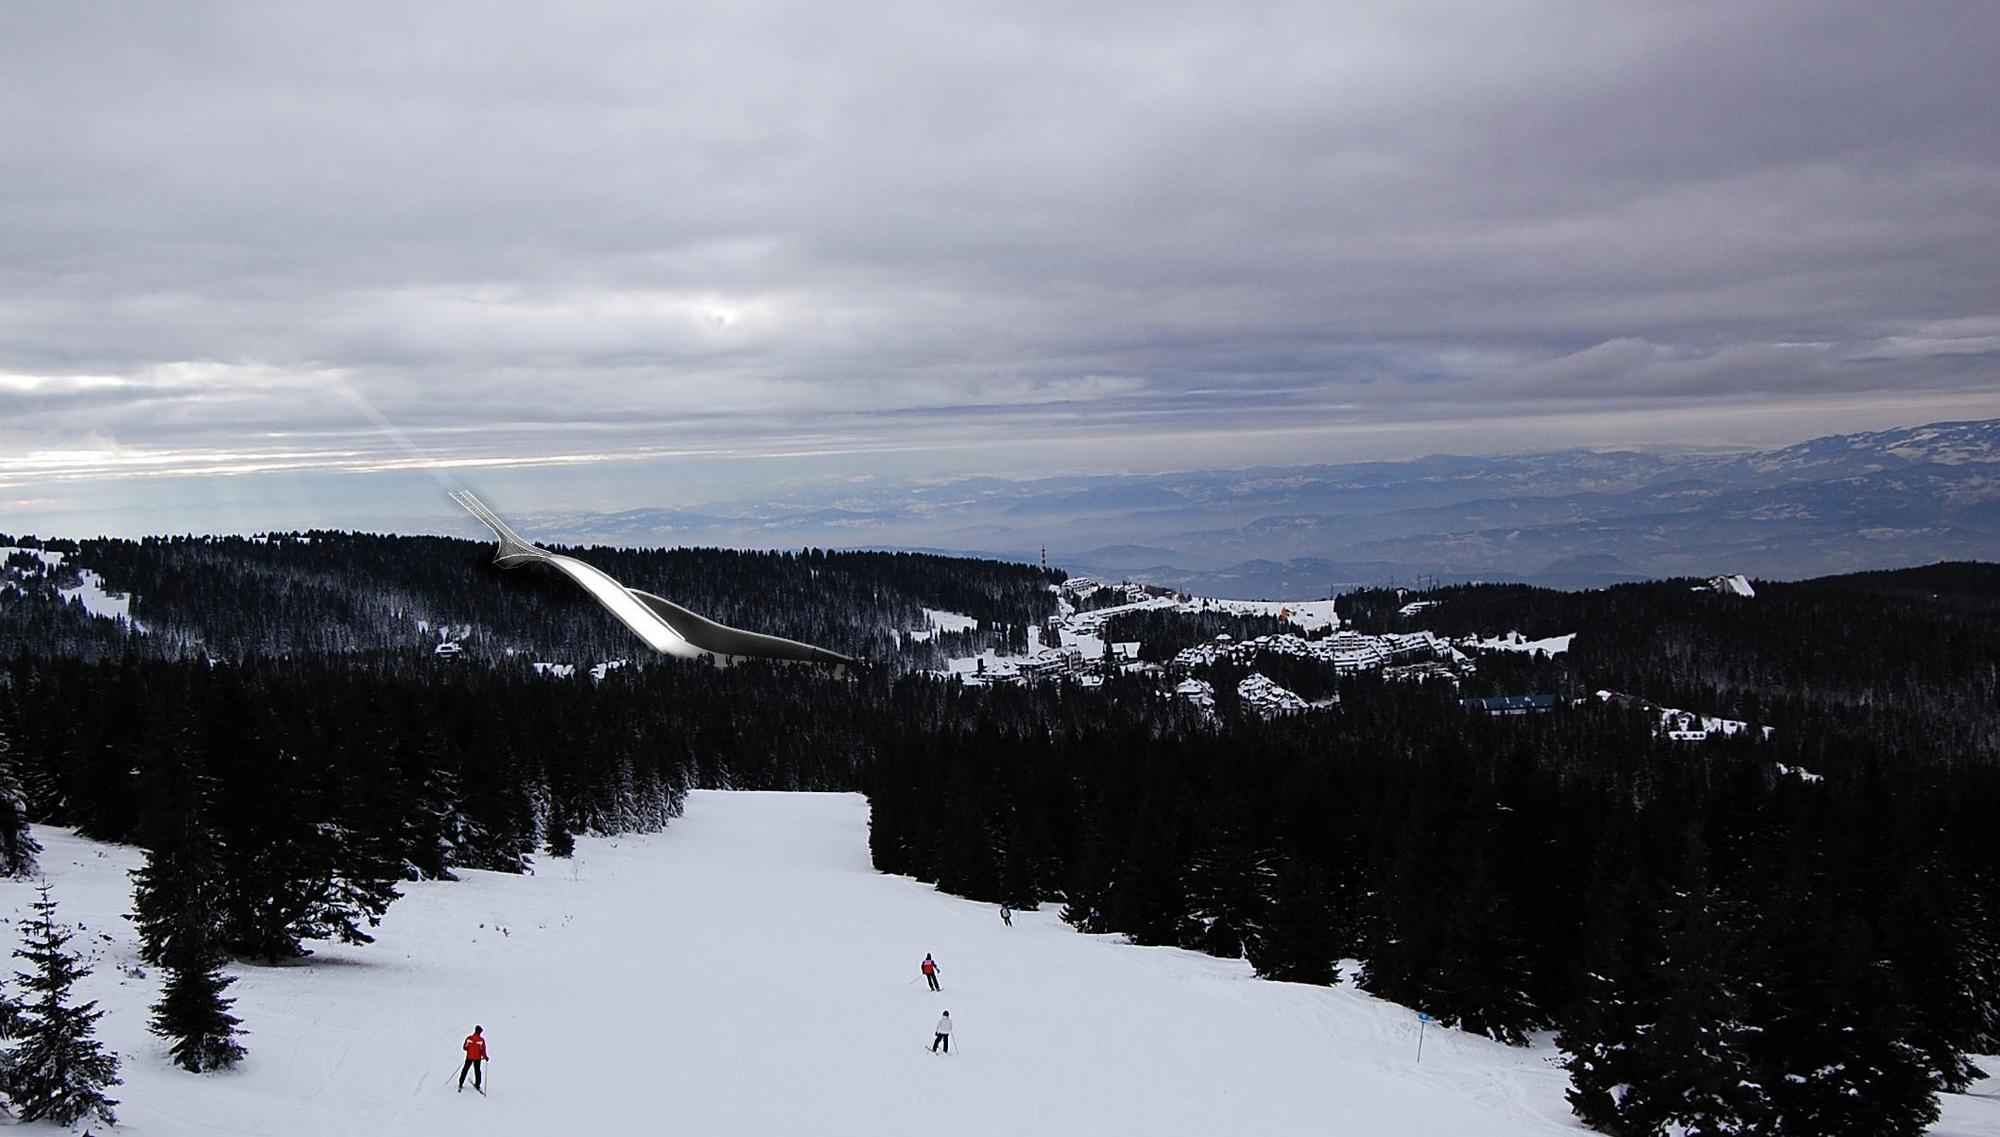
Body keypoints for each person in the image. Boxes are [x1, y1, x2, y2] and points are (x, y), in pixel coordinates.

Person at [458, 1025, 489, 1093]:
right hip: (477, 1058)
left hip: (469, 1057)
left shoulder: (469, 1038)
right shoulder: (481, 1040)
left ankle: (460, 1083)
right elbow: (483, 1050)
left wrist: (470, 1049)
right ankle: (477, 1085)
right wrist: (485, 1057)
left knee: (465, 1070)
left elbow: (464, 1047)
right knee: (477, 1071)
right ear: (480, 1032)